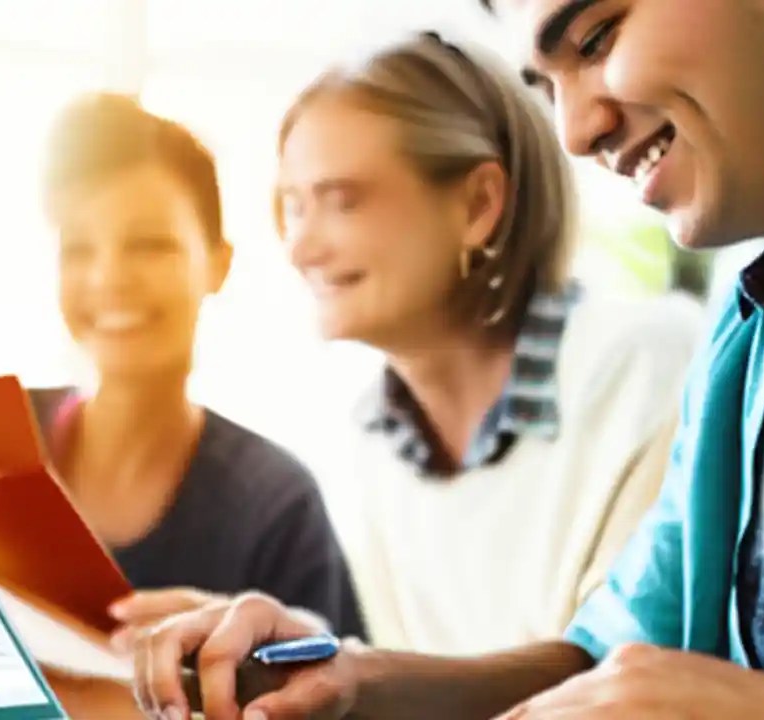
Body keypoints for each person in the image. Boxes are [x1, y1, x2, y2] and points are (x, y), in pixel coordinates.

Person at [130, 0, 764, 717]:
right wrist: (347, 679)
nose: (573, 130)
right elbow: (604, 665)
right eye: (547, 83)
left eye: (600, 33)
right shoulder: (745, 357)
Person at [112, 28, 701, 662]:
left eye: (342, 202)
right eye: (294, 207)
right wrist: (292, 654)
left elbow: (618, 681)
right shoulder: (370, 444)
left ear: (478, 204)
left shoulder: (648, 366)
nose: (302, 248)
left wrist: (348, 673)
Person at [31, 94, 364, 713]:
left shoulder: (274, 503)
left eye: (150, 245)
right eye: (78, 249)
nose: (108, 278)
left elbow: (338, 696)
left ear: (218, 263)